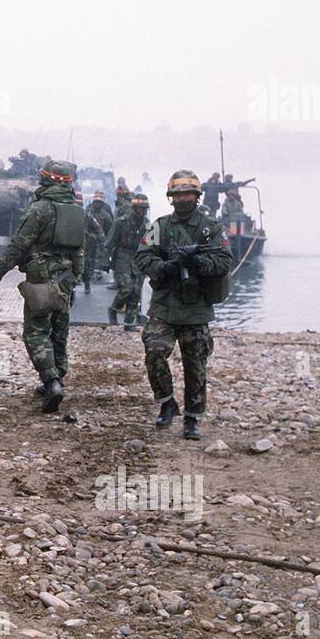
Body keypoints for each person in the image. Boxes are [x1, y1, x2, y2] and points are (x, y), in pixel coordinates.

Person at [134, 170, 232, 441]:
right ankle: (167, 402)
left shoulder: (210, 228)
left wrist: (197, 263)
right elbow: (142, 257)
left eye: (187, 194)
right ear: (171, 198)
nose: (182, 199)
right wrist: (164, 267)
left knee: (195, 364)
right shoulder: (160, 226)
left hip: (196, 307)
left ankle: (192, 418)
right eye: (178, 194)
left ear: (196, 196)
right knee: (154, 350)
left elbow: (224, 261)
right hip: (164, 305)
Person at [0, 160, 83, 412]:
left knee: (36, 332)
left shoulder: (40, 209)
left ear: (45, 179)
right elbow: (80, 249)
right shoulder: (76, 210)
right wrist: (75, 279)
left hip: (41, 278)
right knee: (59, 330)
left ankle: (51, 381)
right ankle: (58, 376)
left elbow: (17, 246)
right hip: (65, 279)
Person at [104, 193, 150, 330]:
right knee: (127, 288)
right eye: (139, 208)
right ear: (134, 208)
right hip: (122, 257)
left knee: (136, 291)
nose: (141, 212)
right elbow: (109, 242)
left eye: (144, 209)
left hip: (138, 259)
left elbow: (152, 245)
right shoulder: (121, 222)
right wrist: (105, 261)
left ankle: (129, 323)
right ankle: (114, 308)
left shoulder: (148, 225)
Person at [76, 189, 105, 293]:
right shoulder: (66, 216)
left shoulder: (87, 216)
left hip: (85, 247)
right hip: (71, 246)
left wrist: (101, 242)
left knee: (86, 267)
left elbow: (98, 229)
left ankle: (87, 283)